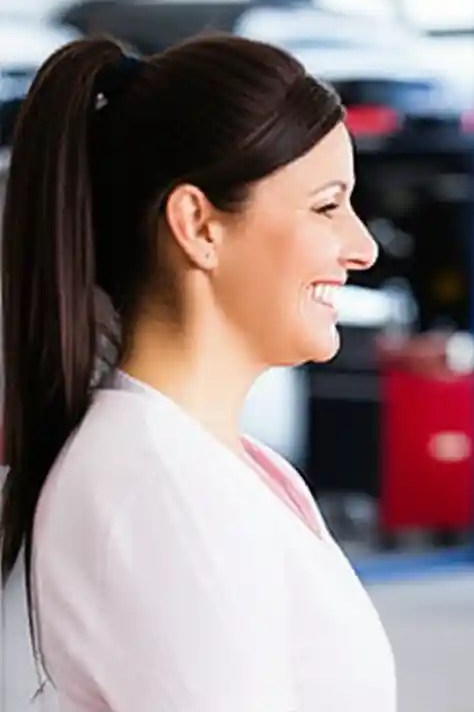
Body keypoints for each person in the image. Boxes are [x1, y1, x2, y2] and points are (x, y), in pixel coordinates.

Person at [0, 35, 396, 711]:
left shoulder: (227, 468)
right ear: (198, 226)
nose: (363, 247)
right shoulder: (154, 490)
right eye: (328, 205)